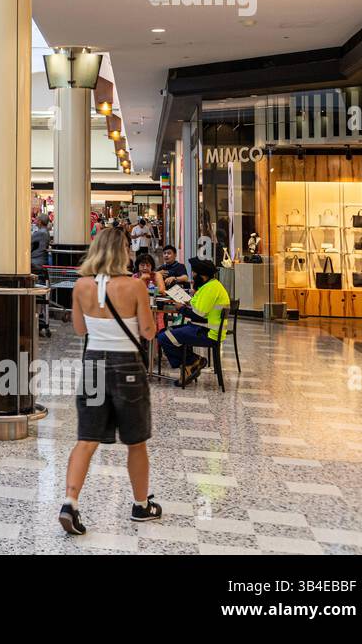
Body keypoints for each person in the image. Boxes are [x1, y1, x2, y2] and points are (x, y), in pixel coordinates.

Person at [60, 227, 162, 535]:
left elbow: (79, 330)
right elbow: (147, 332)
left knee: (86, 439)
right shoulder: (134, 287)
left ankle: (70, 502)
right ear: (123, 252)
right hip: (127, 366)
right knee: (136, 441)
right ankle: (141, 505)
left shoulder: (80, 286)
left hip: (93, 363)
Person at [157, 258, 231, 387]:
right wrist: (188, 304)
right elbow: (200, 309)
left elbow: (198, 315)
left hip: (208, 333)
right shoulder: (210, 285)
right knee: (165, 332)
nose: (193, 276)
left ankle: (192, 362)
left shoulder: (210, 288)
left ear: (201, 275)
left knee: (164, 337)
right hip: (203, 328)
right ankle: (191, 363)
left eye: (194, 273)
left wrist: (182, 309)